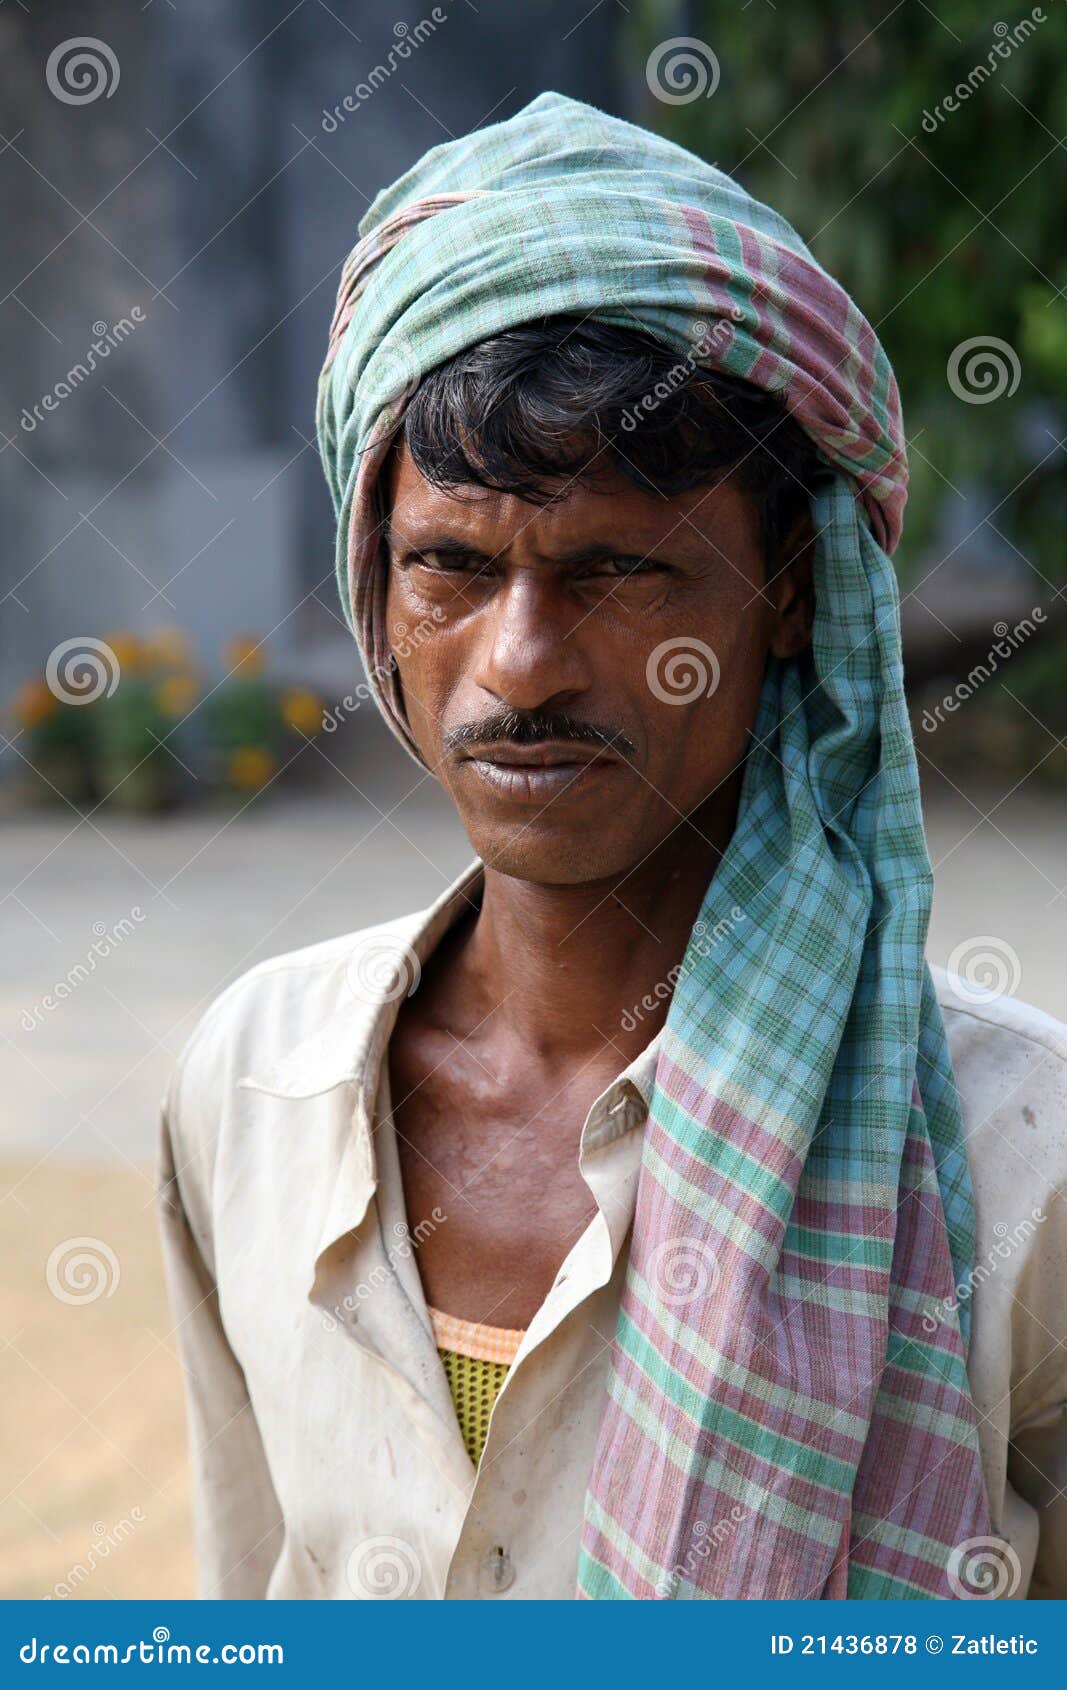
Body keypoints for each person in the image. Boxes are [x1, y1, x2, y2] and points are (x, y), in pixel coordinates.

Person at [158, 93, 1067, 1601]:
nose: (521, 665)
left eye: (618, 569)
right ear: (375, 592)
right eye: (452, 565)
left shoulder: (1019, 1161)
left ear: (789, 595)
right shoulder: (254, 1081)